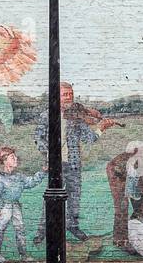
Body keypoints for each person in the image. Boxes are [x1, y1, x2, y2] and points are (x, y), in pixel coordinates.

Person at [35, 82, 116, 242]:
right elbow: (39, 138)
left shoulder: (77, 117)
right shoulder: (47, 116)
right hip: (55, 166)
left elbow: (89, 138)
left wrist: (101, 128)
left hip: (73, 164)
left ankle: (72, 225)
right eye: (65, 94)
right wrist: (49, 155)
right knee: (50, 199)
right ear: (56, 96)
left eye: (70, 94)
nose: (69, 97)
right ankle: (42, 230)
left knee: (74, 197)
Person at [0, 147, 46, 260]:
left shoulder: (19, 177)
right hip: (5, 207)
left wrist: (42, 172)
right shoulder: (0, 179)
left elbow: (31, 182)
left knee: (20, 229)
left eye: (15, 157)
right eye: (12, 157)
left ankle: (23, 255)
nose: (16, 159)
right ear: (5, 161)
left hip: (15, 206)